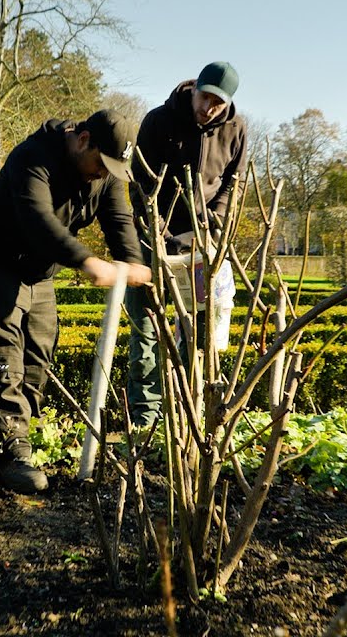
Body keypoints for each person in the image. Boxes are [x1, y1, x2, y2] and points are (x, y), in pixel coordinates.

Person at [0, 109, 152, 494]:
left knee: (39, 350)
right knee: (3, 348)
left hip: (38, 269)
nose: (103, 174)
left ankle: (23, 438)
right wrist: (85, 260)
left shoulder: (105, 174)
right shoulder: (32, 157)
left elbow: (118, 219)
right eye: (101, 163)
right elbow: (37, 219)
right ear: (82, 140)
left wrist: (135, 265)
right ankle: (10, 452)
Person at [125, 62, 248, 430]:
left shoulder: (236, 130)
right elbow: (140, 180)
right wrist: (155, 228)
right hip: (153, 241)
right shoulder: (159, 121)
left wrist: (214, 222)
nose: (209, 107)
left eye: (218, 103)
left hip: (201, 245)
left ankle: (182, 417)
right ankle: (145, 418)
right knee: (145, 331)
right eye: (206, 97)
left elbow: (233, 181)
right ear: (194, 88)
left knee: (195, 333)